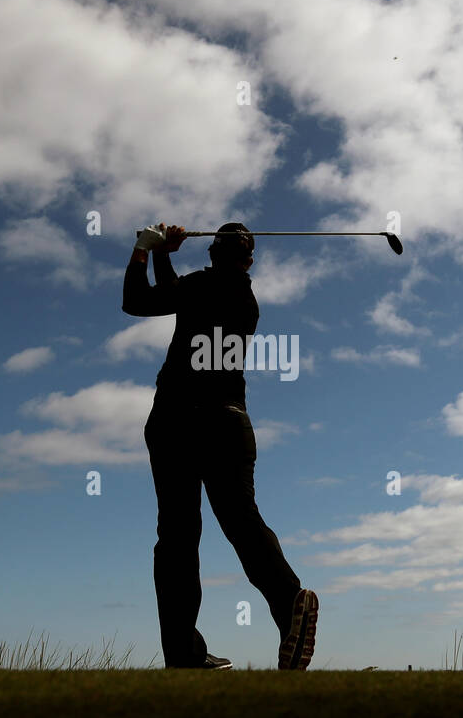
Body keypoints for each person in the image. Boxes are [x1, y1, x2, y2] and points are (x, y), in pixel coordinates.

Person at [122, 221, 319, 670]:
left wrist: (144, 248)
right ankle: (291, 603)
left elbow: (138, 301)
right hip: (227, 422)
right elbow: (176, 292)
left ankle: (182, 653)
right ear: (248, 261)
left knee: (176, 536)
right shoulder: (244, 300)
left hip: (176, 421)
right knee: (241, 522)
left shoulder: (199, 287)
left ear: (210, 254)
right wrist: (163, 254)